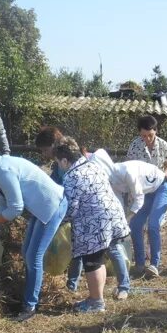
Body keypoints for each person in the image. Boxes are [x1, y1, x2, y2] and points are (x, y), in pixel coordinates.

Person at [0, 140, 67, 321]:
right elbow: (3, 205)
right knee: (27, 253)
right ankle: (29, 296)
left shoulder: (4, 171)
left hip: (52, 205)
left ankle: (30, 306)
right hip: (40, 208)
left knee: (33, 256)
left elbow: (16, 208)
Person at [35, 128, 131, 299]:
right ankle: (99, 297)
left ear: (64, 160)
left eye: (58, 161)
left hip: (94, 224)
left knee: (92, 263)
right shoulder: (92, 165)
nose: (58, 165)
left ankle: (96, 301)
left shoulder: (72, 176)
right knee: (100, 258)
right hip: (112, 216)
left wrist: (54, 222)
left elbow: (71, 209)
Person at [109, 156, 167, 279]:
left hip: (162, 187)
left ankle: (154, 265)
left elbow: (138, 199)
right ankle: (140, 265)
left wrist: (127, 218)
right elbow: (118, 200)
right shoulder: (110, 179)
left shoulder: (127, 172)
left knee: (153, 224)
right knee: (135, 225)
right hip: (147, 193)